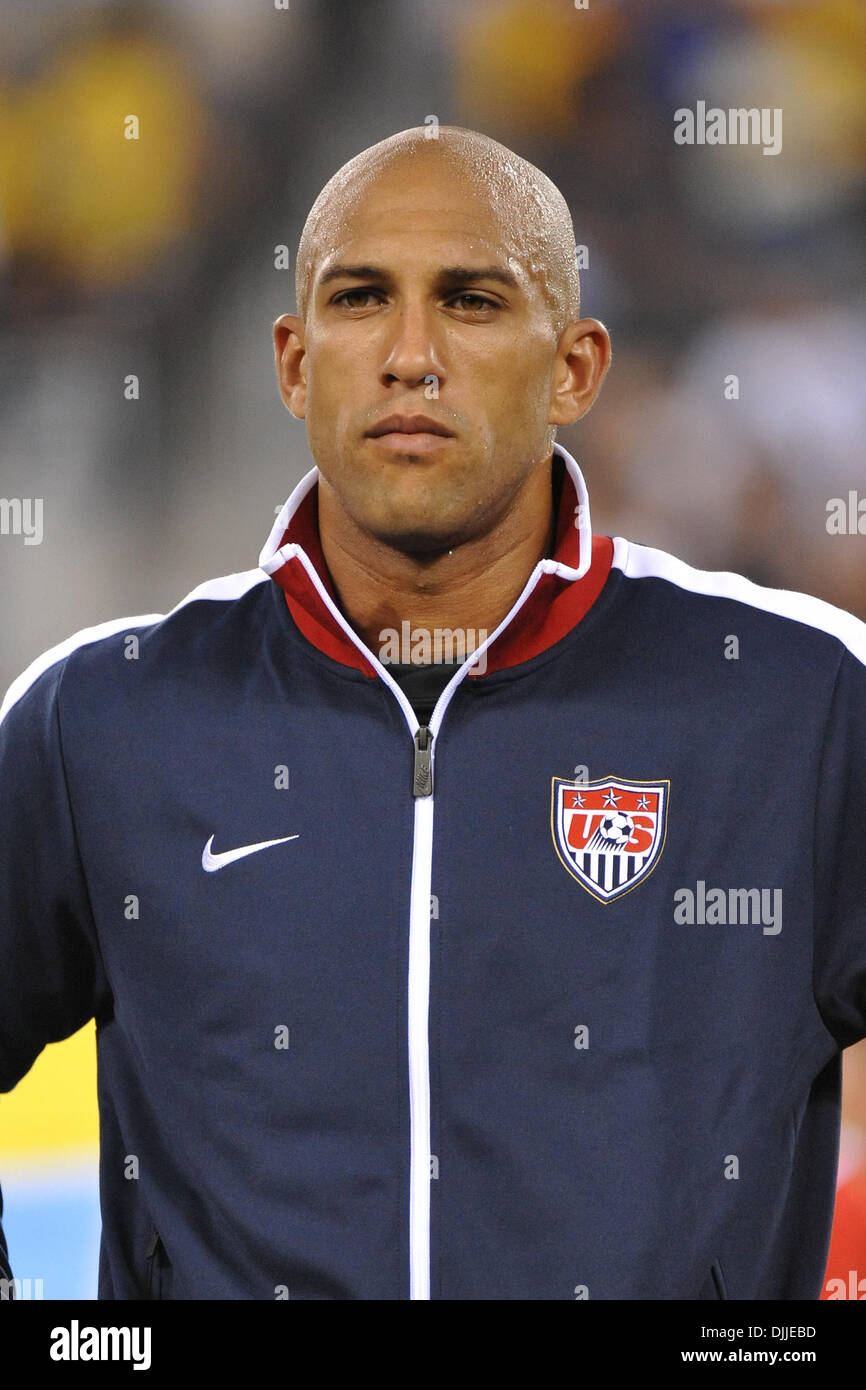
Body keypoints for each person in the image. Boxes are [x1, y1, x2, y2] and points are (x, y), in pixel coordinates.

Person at [0, 125, 864, 1301]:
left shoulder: (799, 702)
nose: (410, 355)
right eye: (360, 299)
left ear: (573, 366)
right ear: (295, 363)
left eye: (469, 299)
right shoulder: (99, 715)